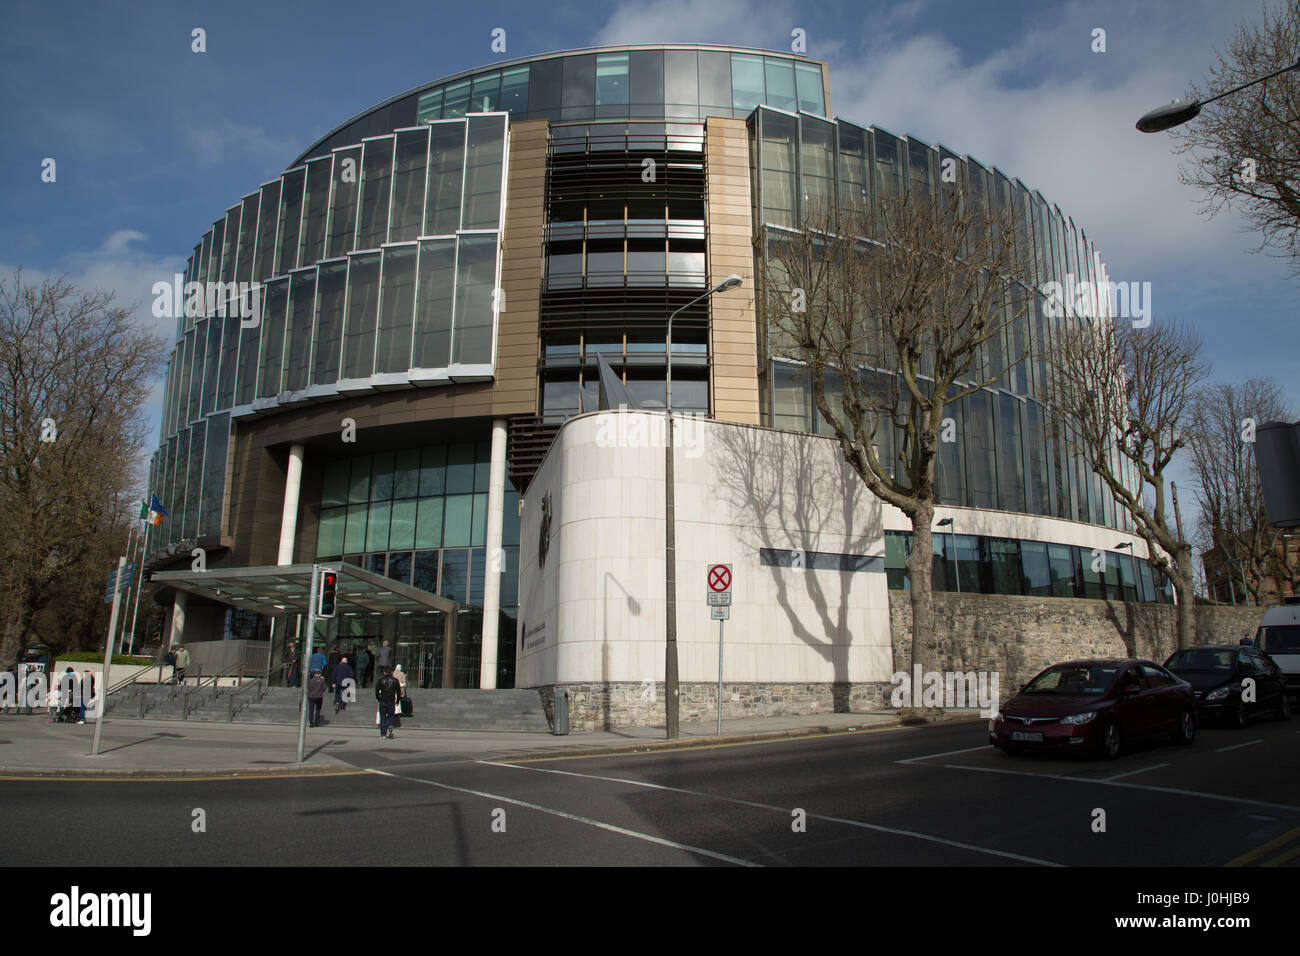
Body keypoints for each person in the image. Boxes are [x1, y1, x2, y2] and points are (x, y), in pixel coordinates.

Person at [376, 668, 400, 740]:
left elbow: (377, 690)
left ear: (384, 672)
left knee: (382, 717)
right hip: (391, 701)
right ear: (392, 672)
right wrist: (398, 700)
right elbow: (398, 692)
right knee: (391, 715)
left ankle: (383, 734)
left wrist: (378, 698)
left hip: (383, 700)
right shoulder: (395, 680)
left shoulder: (381, 680)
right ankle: (390, 725)